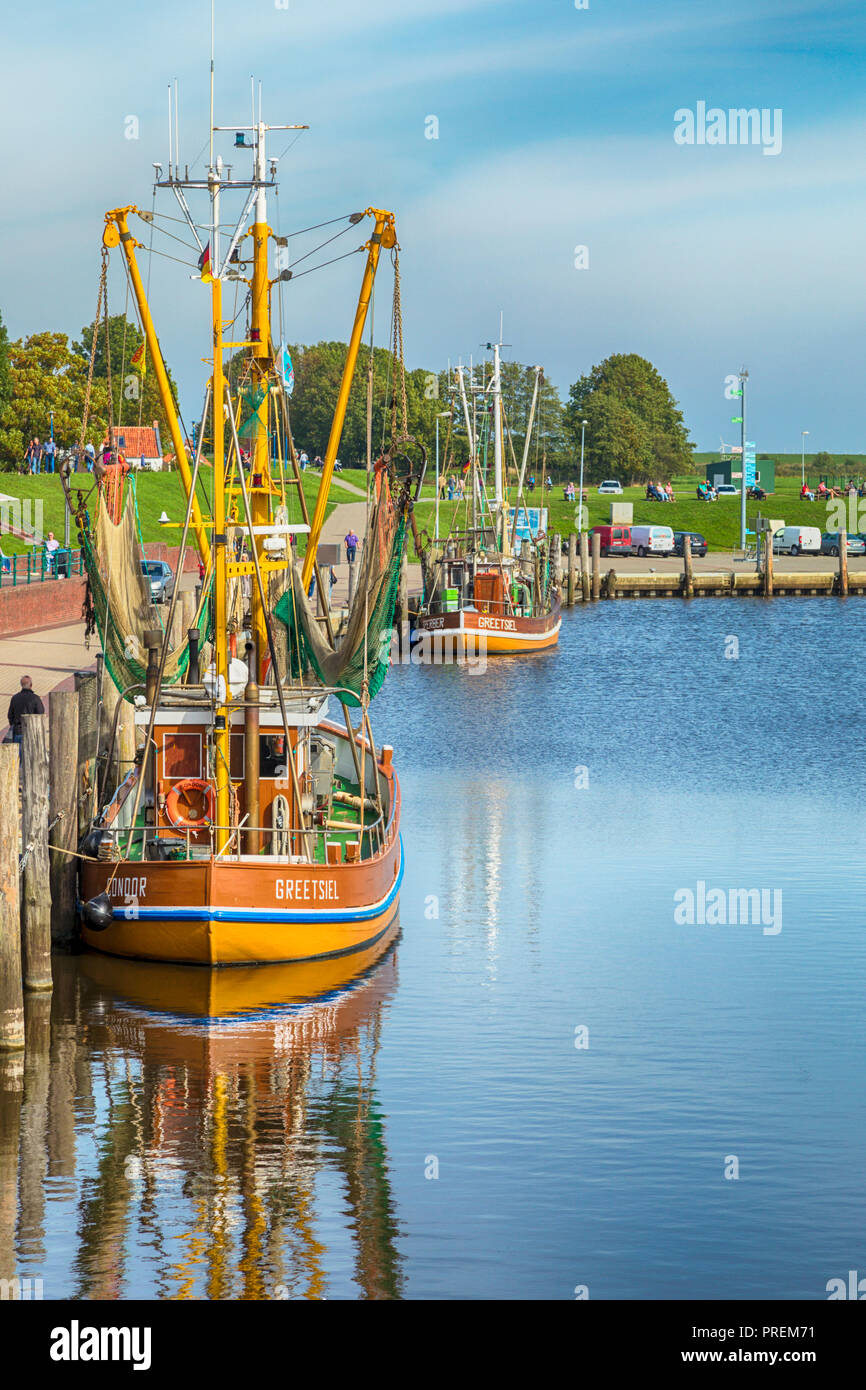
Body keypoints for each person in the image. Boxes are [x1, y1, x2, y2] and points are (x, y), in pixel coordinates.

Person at [6, 676, 44, 745]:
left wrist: (14, 725)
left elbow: (10, 715)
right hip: (31, 731)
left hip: (18, 731)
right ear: (31, 685)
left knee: (18, 753)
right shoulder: (35, 698)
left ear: (21, 685)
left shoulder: (15, 698)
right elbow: (40, 714)